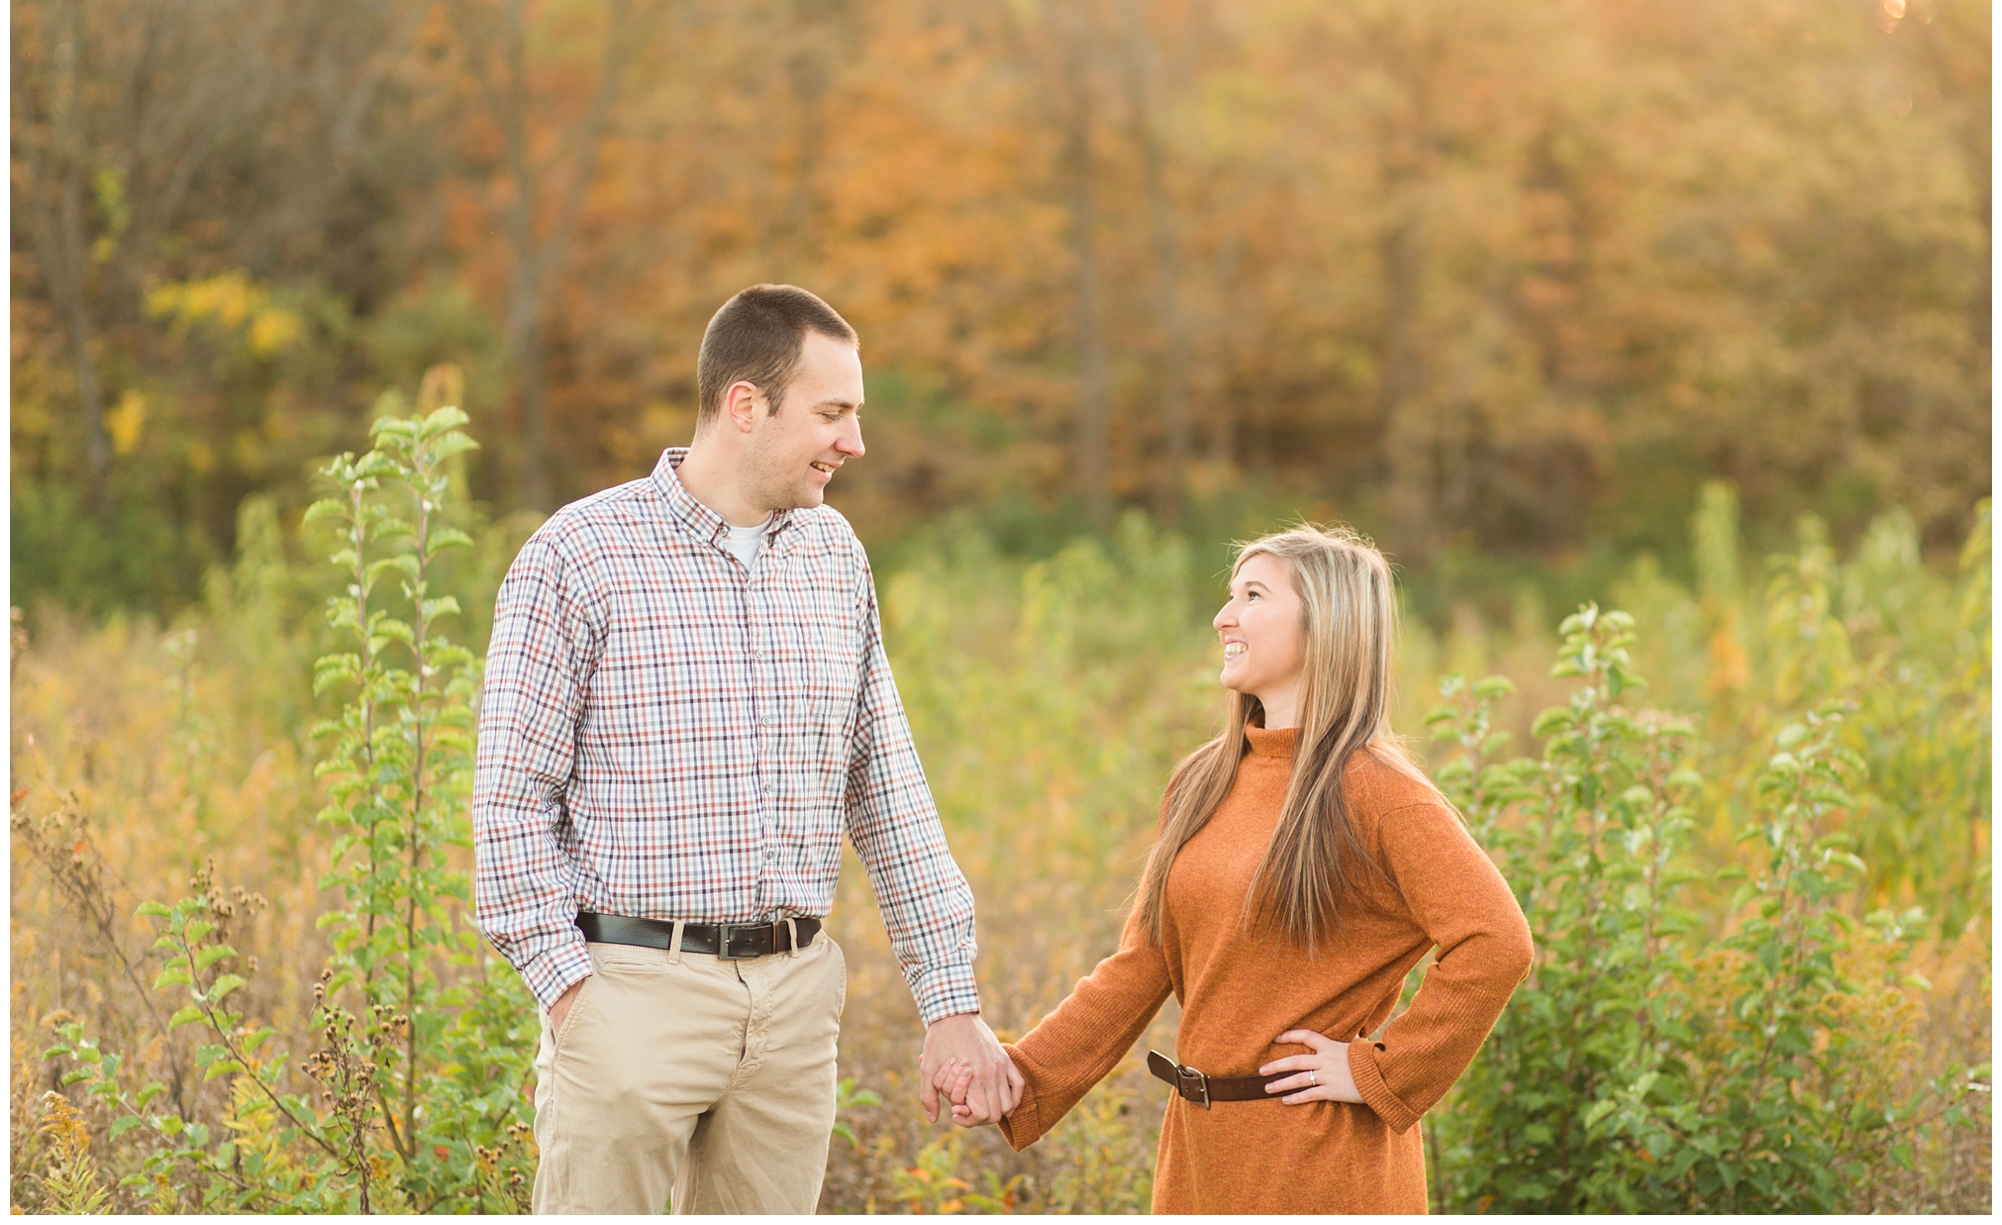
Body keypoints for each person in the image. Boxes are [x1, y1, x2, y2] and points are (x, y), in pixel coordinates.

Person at [473, 283, 1021, 1215]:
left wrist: (951, 1003)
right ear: (745, 406)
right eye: (833, 412)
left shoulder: (834, 555)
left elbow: (884, 787)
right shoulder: (579, 556)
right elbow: (510, 804)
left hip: (794, 1009)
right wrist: (575, 1000)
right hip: (629, 992)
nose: (854, 441)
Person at [934, 523, 1533, 1214]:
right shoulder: (1204, 781)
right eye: (1229, 596)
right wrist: (1021, 1074)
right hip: (1197, 1158)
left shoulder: (1380, 792)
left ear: (1327, 626)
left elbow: (1496, 941)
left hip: (1321, 1162)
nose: (1224, 618)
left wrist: (1382, 1069)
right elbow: (1143, 964)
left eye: (1253, 596)